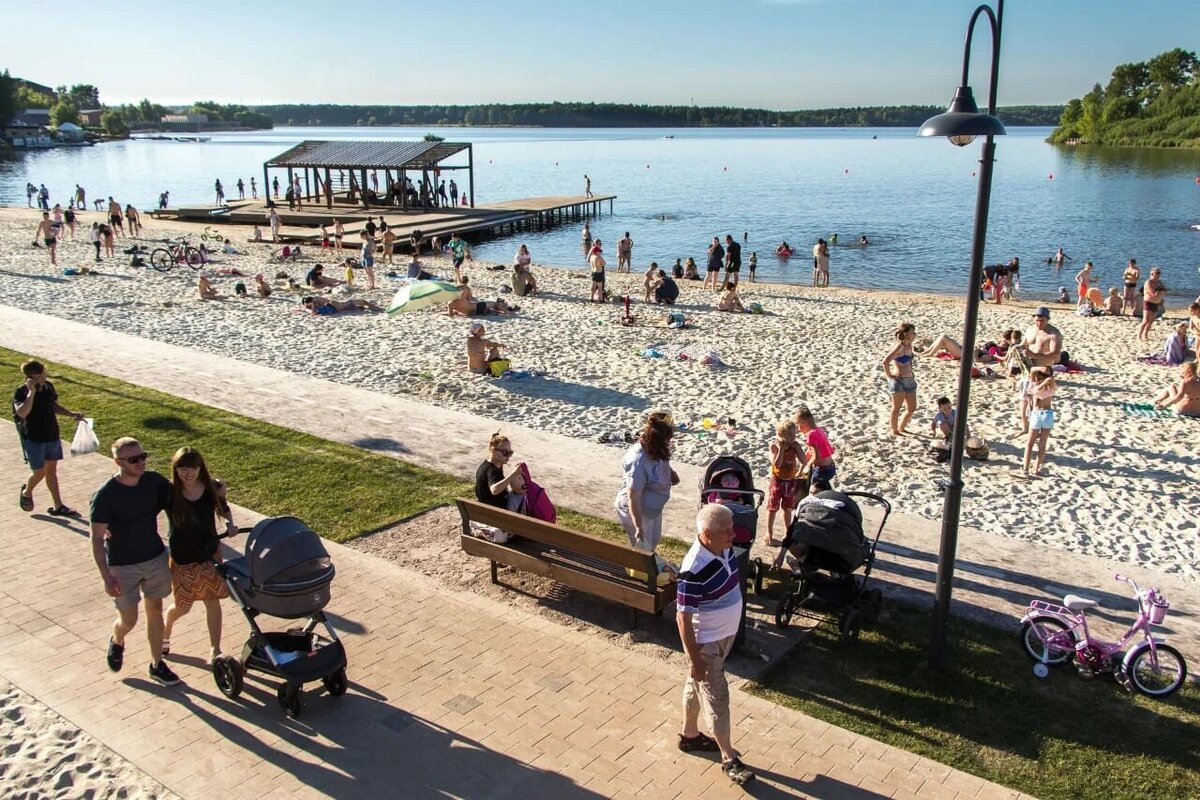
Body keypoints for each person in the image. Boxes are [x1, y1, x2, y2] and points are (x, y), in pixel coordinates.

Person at [90, 437, 180, 686]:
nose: (141, 462)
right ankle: (117, 639)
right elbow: (96, 539)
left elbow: (181, 495)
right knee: (129, 620)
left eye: (143, 456)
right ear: (118, 462)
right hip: (122, 566)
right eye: (134, 459)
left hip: (154, 558)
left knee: (155, 610)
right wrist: (106, 576)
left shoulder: (153, 482)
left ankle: (156, 664)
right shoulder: (105, 496)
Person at [676, 503, 754, 786]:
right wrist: (695, 659)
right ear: (707, 534)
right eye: (727, 531)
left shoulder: (722, 547)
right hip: (707, 644)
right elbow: (683, 618)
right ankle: (728, 758)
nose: (733, 535)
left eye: (732, 528)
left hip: (724, 636)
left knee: (694, 685)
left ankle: (690, 735)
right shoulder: (692, 569)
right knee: (717, 698)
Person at [161, 447, 235, 663]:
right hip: (183, 559)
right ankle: (166, 631)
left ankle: (215, 649)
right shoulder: (169, 492)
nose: (188, 473)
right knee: (183, 606)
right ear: (175, 469)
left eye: (192, 468)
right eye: (182, 468)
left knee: (212, 602)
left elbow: (223, 508)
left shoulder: (210, 488)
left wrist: (230, 524)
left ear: (200, 468)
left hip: (209, 555)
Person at [14, 360, 86, 516]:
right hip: (33, 437)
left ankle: (58, 506)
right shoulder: (21, 392)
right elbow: (22, 413)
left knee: (51, 472)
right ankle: (27, 492)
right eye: (38, 375)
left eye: (43, 374)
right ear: (29, 377)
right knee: (39, 473)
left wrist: (72, 414)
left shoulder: (48, 387)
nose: (42, 378)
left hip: (52, 434)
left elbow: (53, 406)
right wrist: (32, 392)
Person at [614, 411, 678, 554]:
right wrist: (638, 527)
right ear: (658, 439)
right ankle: (640, 575)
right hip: (638, 511)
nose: (669, 442)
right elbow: (633, 497)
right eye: (667, 439)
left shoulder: (657, 448)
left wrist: (670, 473)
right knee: (643, 550)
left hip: (652, 509)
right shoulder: (638, 461)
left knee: (653, 543)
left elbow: (661, 461)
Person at [766, 419, 804, 545]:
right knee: (772, 509)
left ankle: (788, 532)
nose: (793, 437)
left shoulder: (794, 445)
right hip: (778, 481)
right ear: (780, 434)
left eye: (794, 434)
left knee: (788, 509)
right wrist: (781, 449)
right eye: (789, 435)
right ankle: (769, 533)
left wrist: (798, 448)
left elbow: (803, 461)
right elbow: (777, 464)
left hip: (790, 481)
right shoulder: (774, 446)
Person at [883, 322, 918, 436]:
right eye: (912, 332)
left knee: (912, 407)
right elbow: (886, 361)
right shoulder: (899, 346)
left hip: (909, 380)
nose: (914, 334)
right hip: (899, 380)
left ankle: (901, 427)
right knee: (897, 407)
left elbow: (909, 362)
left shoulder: (910, 346)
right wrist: (889, 375)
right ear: (906, 334)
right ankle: (894, 430)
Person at [475, 432, 525, 509]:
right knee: (524, 499)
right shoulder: (492, 471)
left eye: (510, 452)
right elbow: (494, 490)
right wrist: (514, 474)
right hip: (497, 512)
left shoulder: (485, 466)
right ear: (493, 451)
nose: (508, 456)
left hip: (485, 509)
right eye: (505, 452)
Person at [1022, 367, 1056, 477]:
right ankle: (1027, 469)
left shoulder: (1047, 384)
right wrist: (1043, 367)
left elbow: (1049, 379)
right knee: (1031, 444)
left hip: (1044, 414)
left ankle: (1034, 468)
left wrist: (1037, 388)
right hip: (1041, 414)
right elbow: (1032, 369)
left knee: (1039, 444)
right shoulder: (1036, 383)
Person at [795, 406, 836, 490]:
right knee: (824, 486)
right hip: (830, 466)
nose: (798, 430)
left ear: (804, 423)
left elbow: (817, 456)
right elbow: (810, 452)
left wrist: (808, 466)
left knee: (813, 488)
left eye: (798, 426)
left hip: (822, 470)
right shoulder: (817, 430)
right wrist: (802, 464)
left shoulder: (810, 435)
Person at [1138, 267, 1166, 342]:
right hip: (1148, 302)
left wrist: (1160, 294)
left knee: (1152, 320)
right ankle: (1139, 335)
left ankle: (1145, 335)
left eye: (1159, 273)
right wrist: (1160, 293)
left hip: (1156, 303)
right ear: (1152, 274)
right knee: (1146, 320)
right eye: (1157, 273)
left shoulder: (1159, 282)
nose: (1158, 275)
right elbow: (1152, 293)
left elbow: (1164, 290)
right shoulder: (1148, 282)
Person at [301, 296, 380, 315]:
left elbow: (328, 301)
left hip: (344, 304)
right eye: (311, 302)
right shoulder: (310, 308)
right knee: (362, 304)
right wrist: (311, 305)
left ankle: (376, 308)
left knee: (363, 302)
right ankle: (376, 309)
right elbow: (312, 312)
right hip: (342, 306)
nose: (314, 302)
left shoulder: (317, 300)